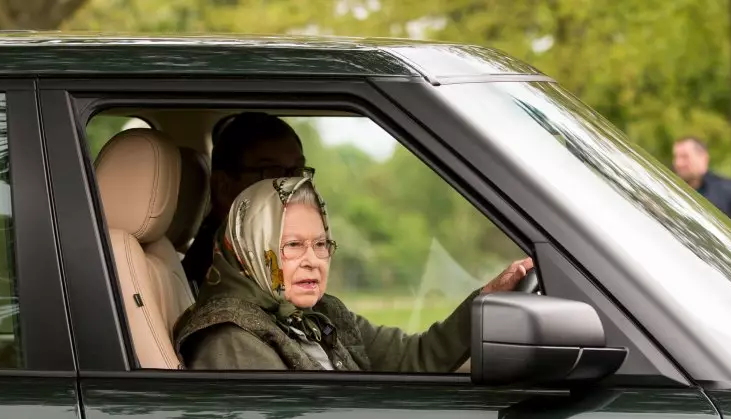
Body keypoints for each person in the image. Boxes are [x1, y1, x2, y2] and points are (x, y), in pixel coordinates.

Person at [173, 176, 534, 372]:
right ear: (252, 249)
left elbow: (415, 358)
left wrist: (486, 299)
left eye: (322, 244)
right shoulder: (229, 340)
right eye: (293, 245)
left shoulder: (321, 315)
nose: (313, 259)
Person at [182, 112, 310, 289]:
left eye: (297, 171)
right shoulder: (217, 270)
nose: (292, 187)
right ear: (224, 186)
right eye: (272, 173)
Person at [672, 136, 731, 240]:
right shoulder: (671, 192)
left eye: (685, 157)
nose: (678, 163)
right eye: (676, 157)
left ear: (703, 158)